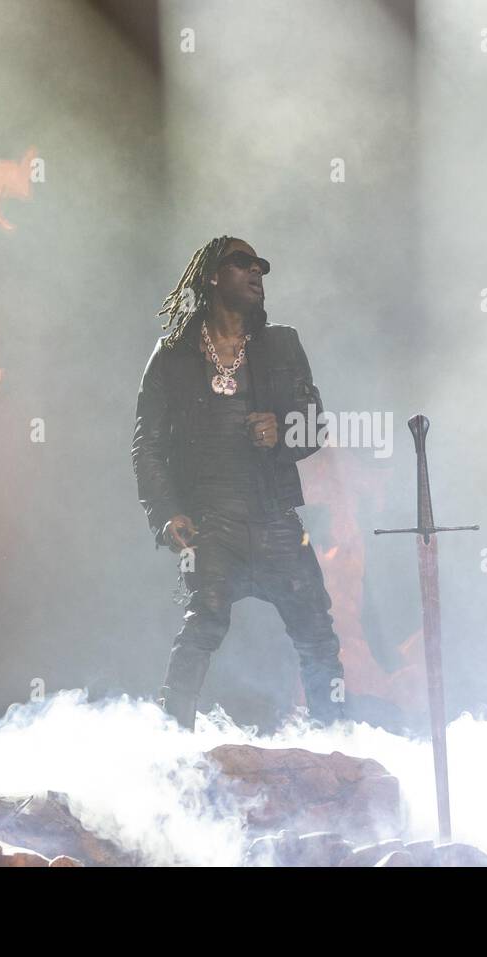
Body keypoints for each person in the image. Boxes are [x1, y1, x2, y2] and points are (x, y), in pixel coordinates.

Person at [132, 235, 345, 729]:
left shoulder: (281, 344)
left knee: (316, 631)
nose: (257, 273)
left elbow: (314, 425)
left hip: (275, 517)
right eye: (242, 263)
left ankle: (339, 747)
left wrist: (281, 430)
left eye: (261, 267)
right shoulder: (172, 358)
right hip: (211, 521)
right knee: (202, 624)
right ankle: (170, 748)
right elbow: (147, 446)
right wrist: (165, 514)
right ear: (211, 275)